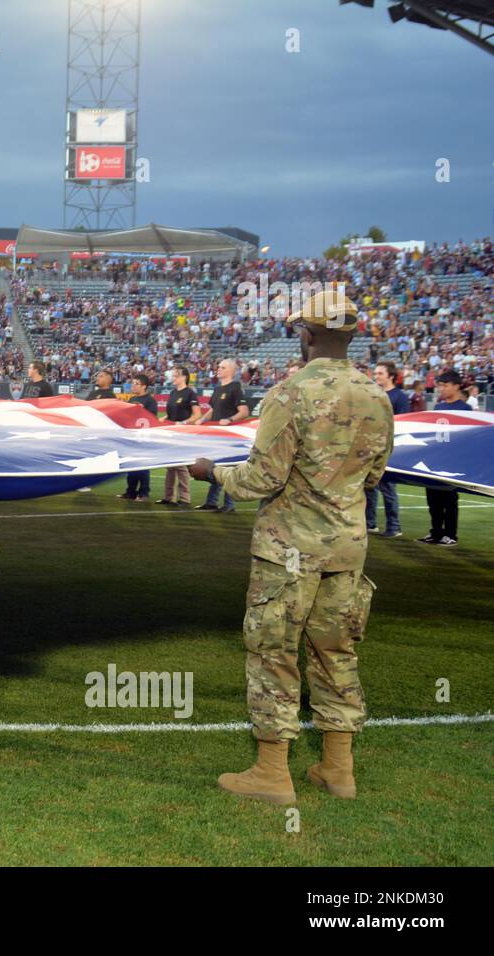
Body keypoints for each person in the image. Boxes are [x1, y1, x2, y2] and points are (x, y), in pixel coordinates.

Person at [188, 290, 393, 805]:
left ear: (307, 335)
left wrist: (211, 471)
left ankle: (272, 773)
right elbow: (374, 475)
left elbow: (262, 477)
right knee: (336, 653)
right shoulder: (376, 394)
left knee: (274, 653)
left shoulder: (290, 392)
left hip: (289, 550)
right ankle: (338, 769)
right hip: (346, 547)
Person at [419, 369, 468, 547]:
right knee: (433, 500)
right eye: (440, 385)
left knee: (449, 500)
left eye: (446, 385)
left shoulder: (466, 409)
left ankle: (450, 534)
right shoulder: (439, 407)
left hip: (452, 462)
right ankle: (436, 532)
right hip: (435, 460)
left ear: (457, 386)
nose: (442, 389)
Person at [197, 358, 249, 513]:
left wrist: (230, 419)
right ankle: (211, 502)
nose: (218, 369)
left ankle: (229, 505)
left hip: (230, 437)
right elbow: (214, 409)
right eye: (218, 367)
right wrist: (203, 419)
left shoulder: (235, 387)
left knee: (228, 471)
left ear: (231, 371)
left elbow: (244, 411)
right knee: (215, 468)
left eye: (223, 367)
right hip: (217, 436)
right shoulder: (218, 389)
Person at [365, 362, 408, 538]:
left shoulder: (400, 396)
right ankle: (370, 523)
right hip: (373, 447)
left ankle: (394, 526)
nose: (376, 376)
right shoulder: (374, 394)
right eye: (375, 373)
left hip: (390, 448)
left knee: (388, 489)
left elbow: (403, 422)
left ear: (391, 376)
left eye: (380, 373)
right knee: (370, 488)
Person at [158, 365, 202, 506]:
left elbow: (197, 415)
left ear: (184, 377)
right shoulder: (173, 393)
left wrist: (183, 423)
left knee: (182, 466)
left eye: (176, 375)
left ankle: (184, 498)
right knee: (170, 465)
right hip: (171, 432)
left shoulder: (190, 393)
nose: (174, 377)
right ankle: (168, 497)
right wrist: (164, 418)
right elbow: (171, 413)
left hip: (184, 433)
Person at [117, 373, 157, 501]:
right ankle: (130, 492)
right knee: (132, 466)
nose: (133, 386)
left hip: (144, 437)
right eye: (132, 383)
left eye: (136, 384)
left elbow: (152, 419)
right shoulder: (131, 399)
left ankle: (144, 493)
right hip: (132, 437)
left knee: (143, 466)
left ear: (144, 386)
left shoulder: (150, 401)